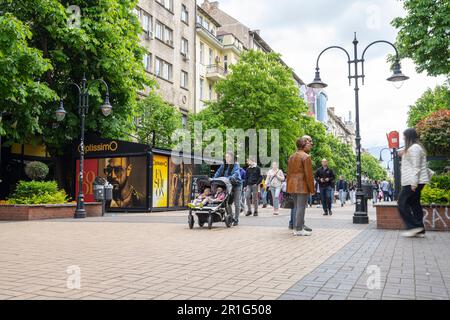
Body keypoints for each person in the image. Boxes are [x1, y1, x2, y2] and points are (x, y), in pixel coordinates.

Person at [397, 128, 432, 238]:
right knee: (414, 204)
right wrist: (402, 152)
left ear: (409, 137)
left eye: (404, 136)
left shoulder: (415, 148)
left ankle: (413, 227)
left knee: (401, 203)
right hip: (413, 180)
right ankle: (420, 229)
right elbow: (402, 152)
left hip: (413, 181)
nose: (403, 138)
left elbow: (416, 167)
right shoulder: (412, 148)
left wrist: (414, 183)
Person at [287, 135, 315, 236]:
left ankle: (299, 226)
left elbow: (288, 173)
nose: (310, 145)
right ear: (303, 145)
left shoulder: (292, 156)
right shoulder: (306, 157)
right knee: (301, 207)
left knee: (297, 207)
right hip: (302, 186)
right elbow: (309, 175)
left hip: (292, 185)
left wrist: (288, 187)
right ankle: (299, 229)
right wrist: (312, 189)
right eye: (308, 144)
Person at [214, 152, 242, 226]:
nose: (226, 159)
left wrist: (229, 178)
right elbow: (218, 172)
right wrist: (214, 179)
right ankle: (231, 217)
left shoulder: (236, 165)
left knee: (237, 203)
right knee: (227, 202)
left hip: (236, 184)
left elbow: (236, 174)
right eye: (226, 157)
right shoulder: (224, 165)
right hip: (228, 184)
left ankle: (236, 219)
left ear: (232, 158)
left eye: (228, 157)